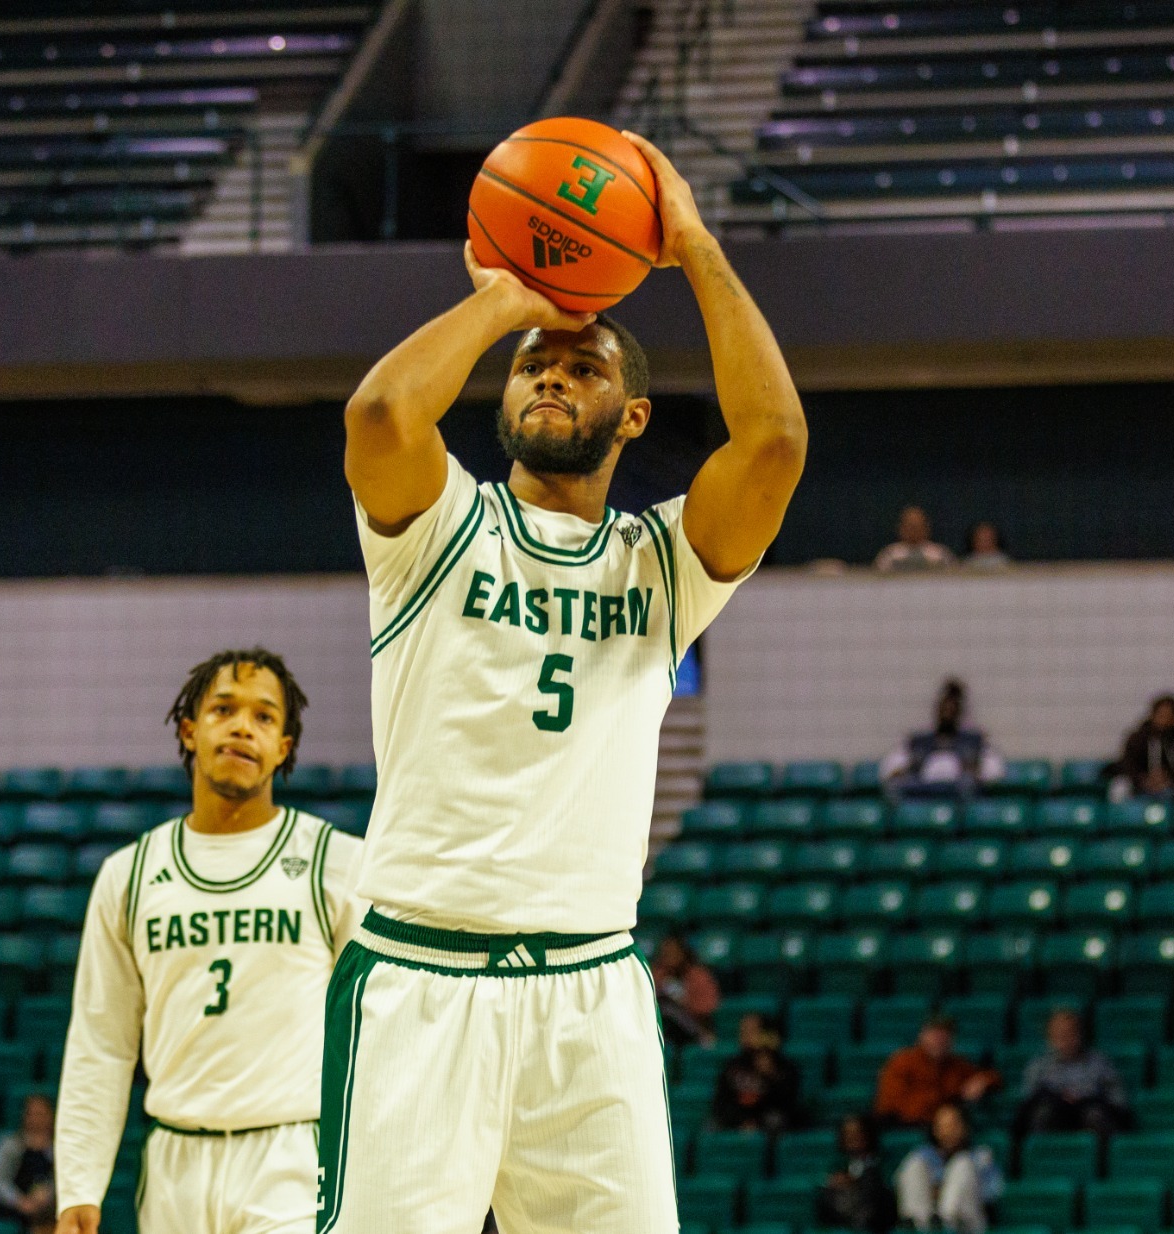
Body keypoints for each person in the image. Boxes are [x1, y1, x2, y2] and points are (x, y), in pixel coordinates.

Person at [321, 130, 805, 1234]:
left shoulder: (663, 565)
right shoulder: (436, 528)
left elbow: (773, 441)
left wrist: (689, 245)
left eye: (582, 364)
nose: (549, 372)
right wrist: (511, 299)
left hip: (589, 989)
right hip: (418, 977)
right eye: (534, 363)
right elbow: (378, 418)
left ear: (632, 415)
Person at [56, 650, 363, 1234]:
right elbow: (102, 1042)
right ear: (190, 731)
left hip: (292, 1159)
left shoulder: (338, 862)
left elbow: (381, 1029)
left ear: (285, 748)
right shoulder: (130, 874)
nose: (243, 726)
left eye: (265, 717)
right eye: (224, 708)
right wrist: (79, 1182)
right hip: (175, 1163)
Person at [880, 679, 1005, 798]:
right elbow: (890, 769)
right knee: (896, 786)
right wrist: (904, 770)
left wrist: (977, 772)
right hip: (922, 790)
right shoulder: (919, 741)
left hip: (958, 792)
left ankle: (964, 818)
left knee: (968, 785)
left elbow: (995, 771)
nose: (947, 714)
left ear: (959, 712)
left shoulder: (974, 741)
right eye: (944, 709)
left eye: (952, 710)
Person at [1015, 1009, 1129, 1137]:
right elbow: (1027, 1100)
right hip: (1053, 1114)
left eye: (1070, 1034)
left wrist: (1085, 1098)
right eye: (1059, 1036)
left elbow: (1118, 1101)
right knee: (1042, 1114)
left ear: (1080, 1034)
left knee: (1096, 1115)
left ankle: (1098, 1155)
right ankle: (1042, 1154)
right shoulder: (1038, 1066)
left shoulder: (1099, 1064)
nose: (1065, 1041)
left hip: (1088, 1113)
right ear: (1049, 1038)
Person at [874, 1014, 1000, 1130]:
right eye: (935, 1034)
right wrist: (937, 1110)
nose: (939, 1040)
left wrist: (982, 1081)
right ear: (922, 1035)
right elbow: (890, 1105)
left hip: (943, 1128)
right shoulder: (902, 1062)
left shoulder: (956, 1064)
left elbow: (994, 1077)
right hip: (905, 1125)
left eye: (945, 1035)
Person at [893, 1104, 1004, 1233]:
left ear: (965, 1127)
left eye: (953, 1125)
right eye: (942, 1126)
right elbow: (898, 1183)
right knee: (914, 1164)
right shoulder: (925, 1156)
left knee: (962, 1163)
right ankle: (917, 1224)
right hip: (927, 1223)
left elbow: (993, 1192)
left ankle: (945, 1223)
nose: (947, 1131)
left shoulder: (980, 1156)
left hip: (968, 1226)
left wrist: (944, 1188)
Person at [711, 1013, 803, 1133]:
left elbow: (788, 1104)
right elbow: (721, 1102)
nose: (744, 1035)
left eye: (750, 1031)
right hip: (738, 1120)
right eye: (743, 1030)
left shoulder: (782, 1065)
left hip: (766, 1119)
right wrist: (742, 1121)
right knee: (712, 1127)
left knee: (776, 1122)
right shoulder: (732, 1066)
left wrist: (771, 1075)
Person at [1108, 694, 1174, 802]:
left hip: (1172, 782)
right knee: (1119, 786)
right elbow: (1128, 764)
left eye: (1168, 716)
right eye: (1161, 714)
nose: (1164, 720)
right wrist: (1144, 779)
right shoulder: (1137, 738)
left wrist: (1168, 777)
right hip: (1141, 782)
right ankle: (1122, 817)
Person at [0, 1094, 57, 1231]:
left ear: (51, 1116)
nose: (37, 1119)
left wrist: (47, 1195)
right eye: (33, 1114)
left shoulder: (59, 1150)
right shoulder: (8, 1145)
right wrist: (19, 1201)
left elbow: (64, 1182)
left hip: (45, 1214)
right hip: (9, 1211)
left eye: (41, 1114)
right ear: (25, 1116)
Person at [818, 1114, 896, 1232]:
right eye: (848, 1134)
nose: (852, 1138)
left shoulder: (882, 1160)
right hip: (843, 1214)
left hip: (877, 1218)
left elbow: (887, 1188)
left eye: (857, 1133)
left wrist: (856, 1183)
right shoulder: (838, 1164)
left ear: (868, 1134)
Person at [648, 935, 722, 1048]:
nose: (669, 958)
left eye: (673, 953)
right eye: (666, 954)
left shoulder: (699, 976)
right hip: (665, 1029)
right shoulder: (658, 975)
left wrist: (684, 1001)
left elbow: (709, 1007)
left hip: (695, 1028)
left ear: (683, 954)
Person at [876, 506, 956, 572]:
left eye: (917, 527)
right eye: (910, 527)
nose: (914, 531)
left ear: (926, 528)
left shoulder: (940, 554)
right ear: (901, 528)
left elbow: (953, 576)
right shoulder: (890, 554)